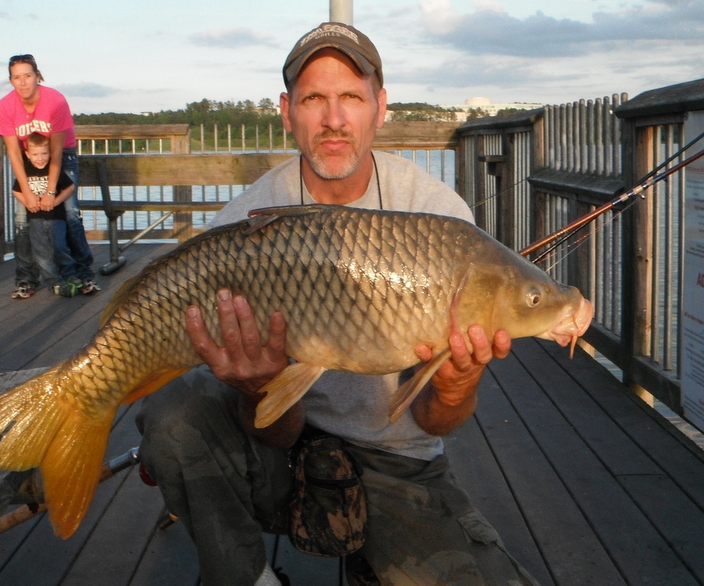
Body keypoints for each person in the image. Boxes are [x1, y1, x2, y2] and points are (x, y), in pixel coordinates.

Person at [137, 22, 538, 586]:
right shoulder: (245, 224)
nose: (333, 119)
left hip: (395, 457)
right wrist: (256, 386)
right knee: (172, 414)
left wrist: (456, 384)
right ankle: (247, 575)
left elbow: (432, 419)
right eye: (314, 99)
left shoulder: (439, 219)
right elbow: (273, 427)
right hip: (277, 452)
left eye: (351, 96)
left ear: (380, 106)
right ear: (286, 110)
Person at [0, 54, 100, 299]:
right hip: (28, 159)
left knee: (70, 215)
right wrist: (28, 193)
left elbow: (57, 152)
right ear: (10, 81)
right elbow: (13, 152)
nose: (23, 82)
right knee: (22, 220)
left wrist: (51, 191)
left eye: (28, 76)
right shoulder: (6, 105)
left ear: (37, 76)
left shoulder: (55, 101)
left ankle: (84, 274)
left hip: (60, 155)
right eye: (16, 77)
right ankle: (26, 279)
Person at [11, 132, 84, 298]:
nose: (40, 158)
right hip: (35, 218)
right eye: (35, 154)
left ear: (50, 153)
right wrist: (29, 202)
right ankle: (53, 281)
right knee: (41, 251)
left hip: (56, 218)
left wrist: (56, 201)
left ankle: (70, 274)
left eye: (44, 153)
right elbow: (16, 191)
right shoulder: (26, 171)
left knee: (60, 247)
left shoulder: (54, 170)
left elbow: (69, 188)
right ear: (27, 155)